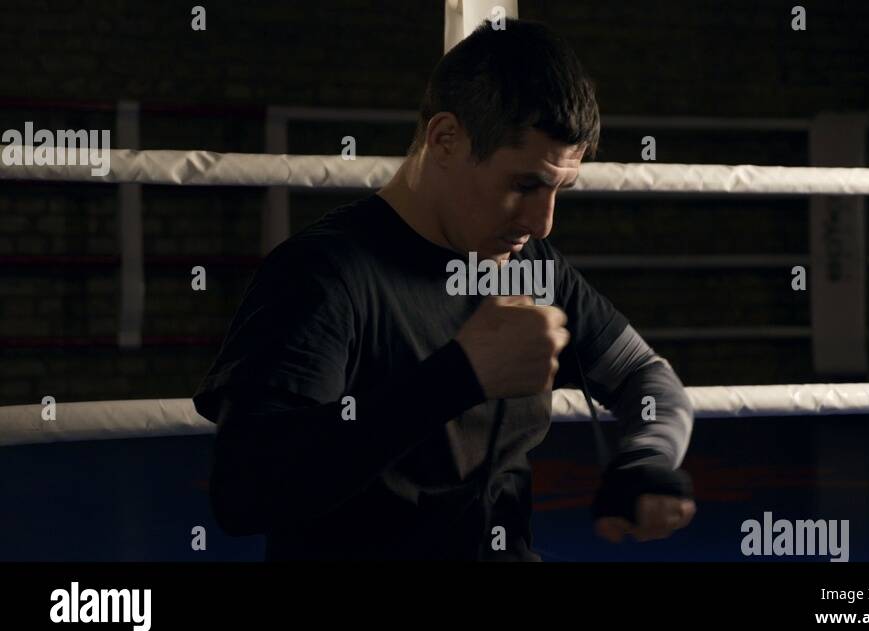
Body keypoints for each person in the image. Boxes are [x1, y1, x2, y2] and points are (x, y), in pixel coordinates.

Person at [192, 19, 696, 561]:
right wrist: (456, 377)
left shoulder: (527, 264)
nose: (543, 221)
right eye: (523, 184)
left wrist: (647, 457)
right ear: (445, 139)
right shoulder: (323, 275)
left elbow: (647, 377)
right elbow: (245, 493)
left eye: (558, 189)